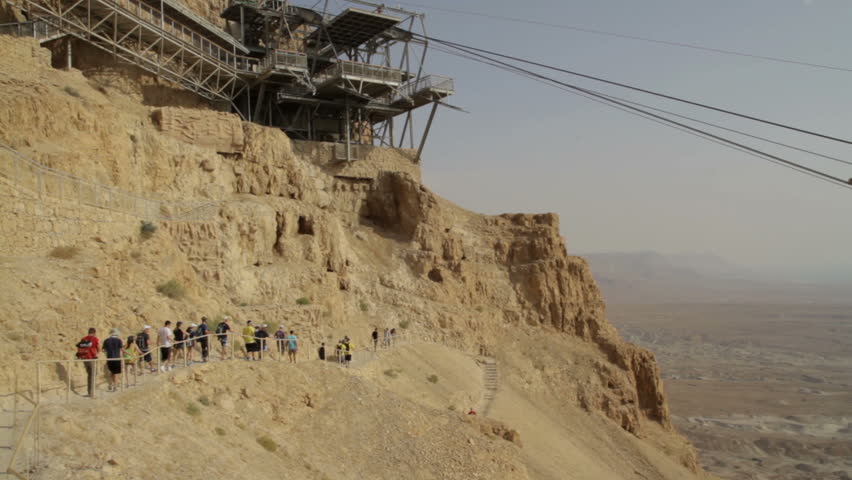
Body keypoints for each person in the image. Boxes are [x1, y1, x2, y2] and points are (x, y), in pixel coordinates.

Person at [75, 328, 99, 397]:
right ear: (94, 332)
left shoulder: (83, 339)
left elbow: (79, 347)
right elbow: (98, 348)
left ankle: (89, 391)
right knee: (93, 374)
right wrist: (97, 353)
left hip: (84, 358)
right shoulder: (94, 339)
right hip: (91, 358)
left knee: (89, 375)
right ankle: (92, 392)